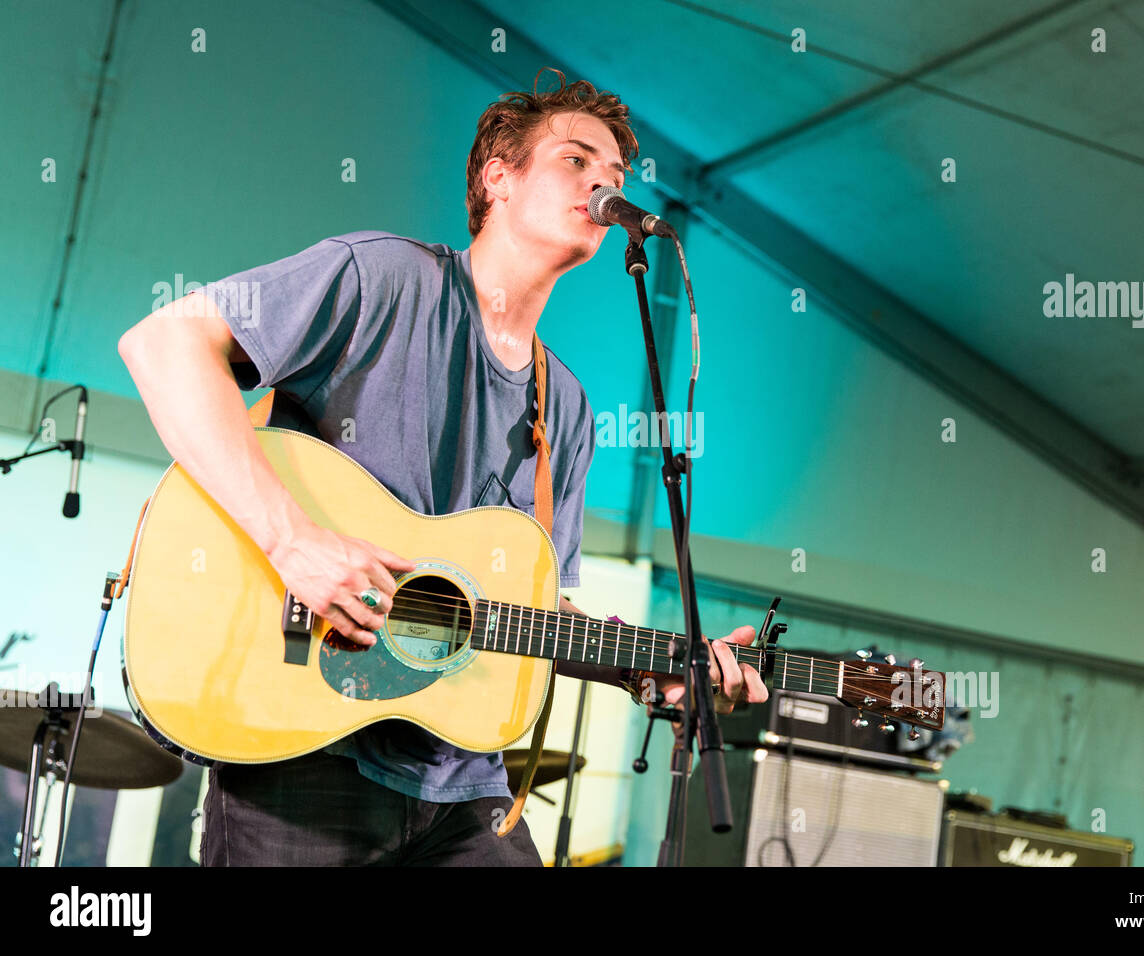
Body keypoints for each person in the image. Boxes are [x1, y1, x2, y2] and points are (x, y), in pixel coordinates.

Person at [117, 70, 767, 866]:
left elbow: (532, 614)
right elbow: (163, 344)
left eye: (615, 175)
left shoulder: (563, 405)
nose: (603, 181)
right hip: (305, 750)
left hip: (465, 786)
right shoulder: (381, 278)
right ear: (499, 175)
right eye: (575, 159)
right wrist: (293, 542)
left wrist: (649, 671)